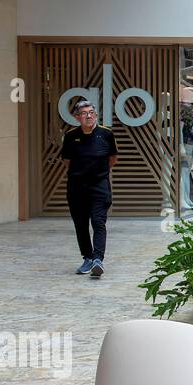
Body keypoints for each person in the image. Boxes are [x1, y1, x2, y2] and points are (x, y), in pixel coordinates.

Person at [61, 99, 118, 279]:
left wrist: (98, 174)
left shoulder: (106, 134)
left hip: (99, 186)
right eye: (84, 113)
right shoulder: (70, 136)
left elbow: (112, 159)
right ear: (77, 117)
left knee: (98, 222)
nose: (89, 115)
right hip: (77, 187)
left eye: (91, 112)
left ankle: (98, 260)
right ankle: (87, 257)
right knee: (81, 224)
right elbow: (67, 162)